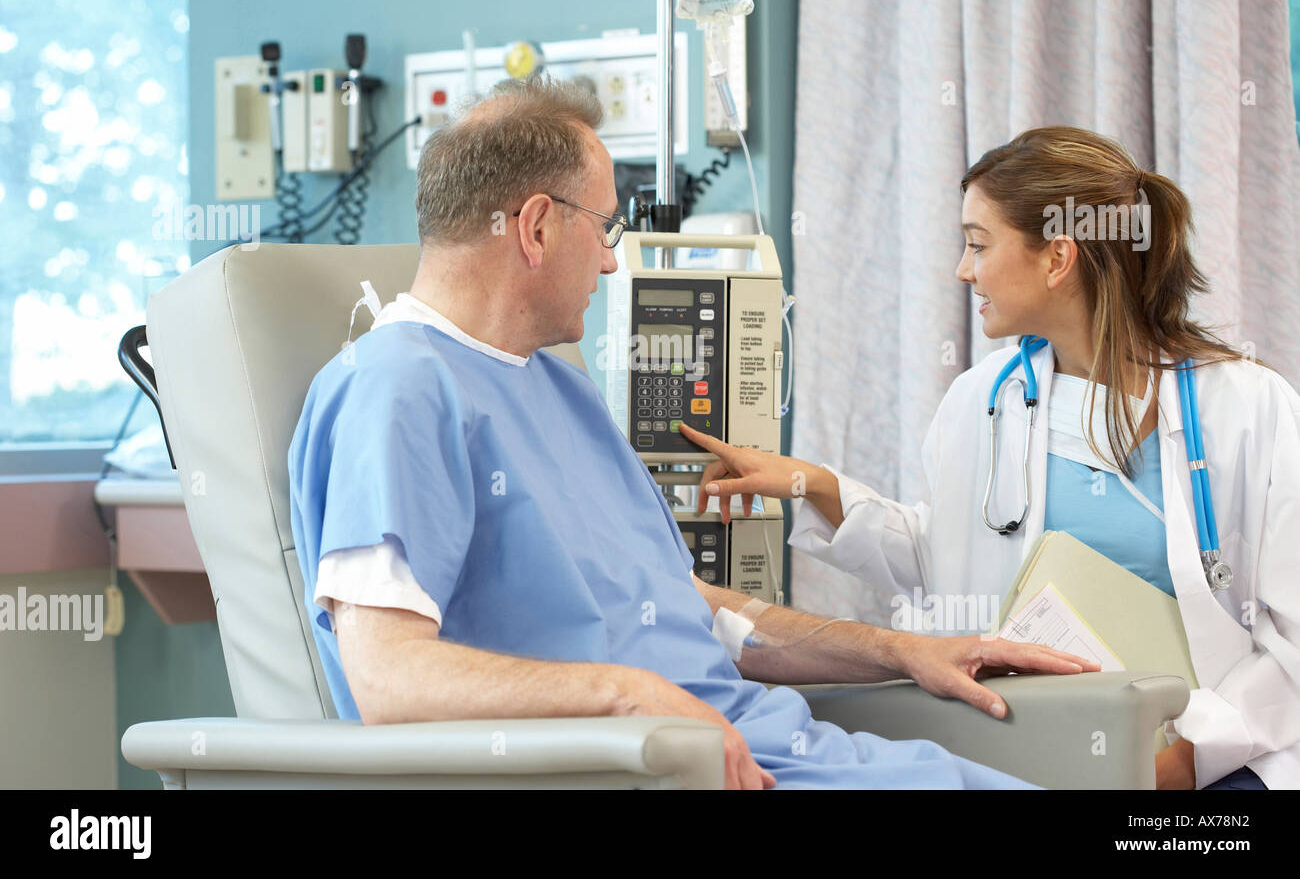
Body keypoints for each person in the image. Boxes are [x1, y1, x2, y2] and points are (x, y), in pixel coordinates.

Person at [287, 78, 1097, 790]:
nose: (611, 263)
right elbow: (390, 678)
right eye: (603, 227)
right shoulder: (395, 387)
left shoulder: (556, 385)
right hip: (647, 769)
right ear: (534, 228)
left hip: (774, 748)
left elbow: (692, 613)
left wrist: (900, 650)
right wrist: (635, 696)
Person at [681, 126, 1300, 790]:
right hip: (1046, 747)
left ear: (1057, 258)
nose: (962, 269)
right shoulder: (982, 399)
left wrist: (1181, 763)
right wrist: (815, 487)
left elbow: (1291, 640)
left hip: (1221, 756)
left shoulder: (1243, 406)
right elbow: (943, 564)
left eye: (979, 244)